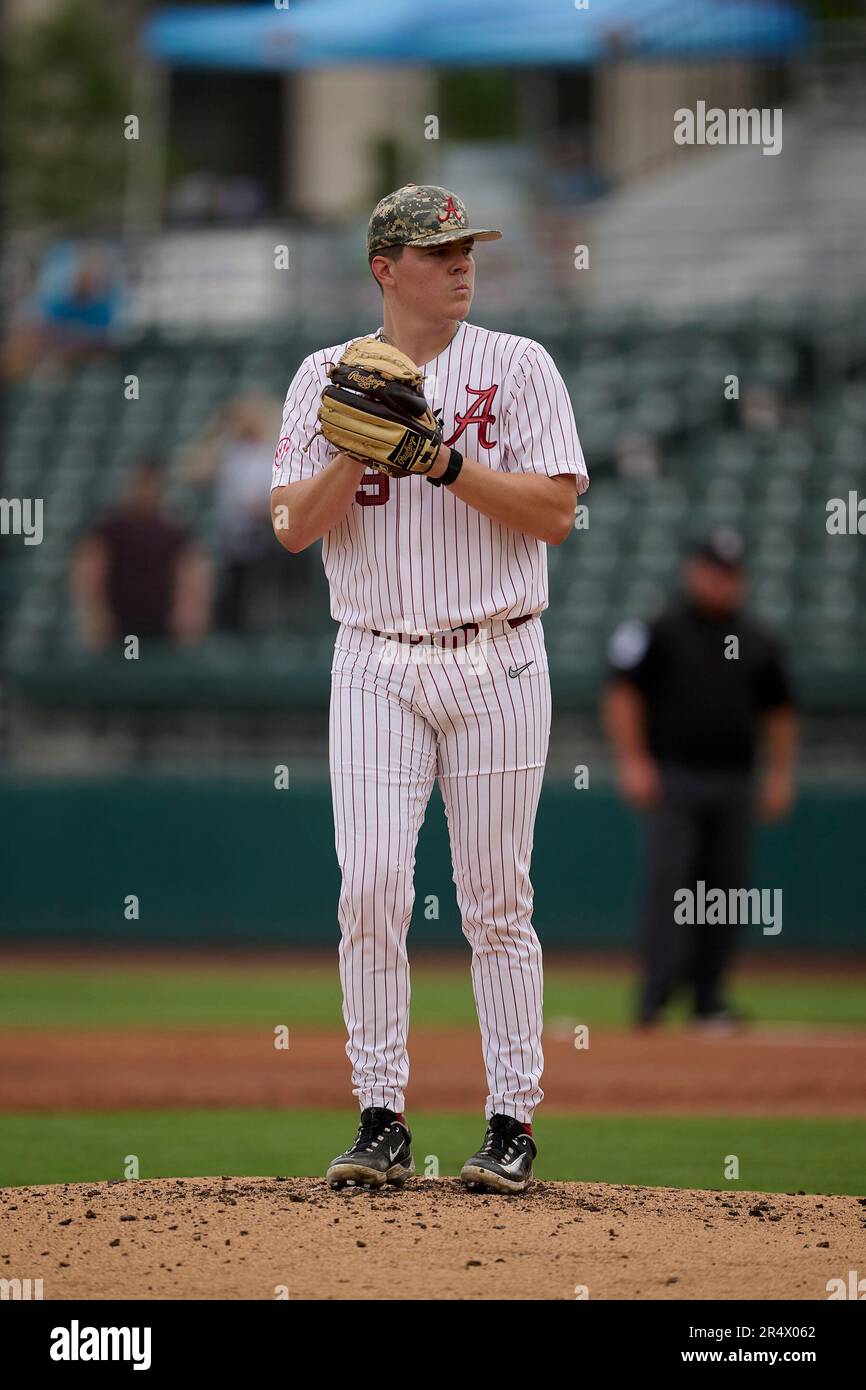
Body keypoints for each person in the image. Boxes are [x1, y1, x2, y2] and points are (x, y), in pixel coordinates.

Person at [270, 183, 588, 1193]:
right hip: (371, 654)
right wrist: (354, 446)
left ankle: (509, 1122)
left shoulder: (519, 364)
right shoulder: (325, 376)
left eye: (465, 248)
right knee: (370, 886)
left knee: (496, 899)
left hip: (496, 650)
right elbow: (290, 524)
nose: (459, 262)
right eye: (436, 249)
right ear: (384, 267)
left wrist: (434, 460)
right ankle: (379, 1116)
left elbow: (552, 514)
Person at [602, 527, 798, 1035]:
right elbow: (623, 693)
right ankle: (656, 996)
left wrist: (780, 773)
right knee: (672, 886)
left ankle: (710, 998)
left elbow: (779, 711)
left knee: (724, 892)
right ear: (695, 572)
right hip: (677, 779)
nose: (722, 583)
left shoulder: (759, 639)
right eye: (714, 571)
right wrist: (633, 760)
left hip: (734, 781)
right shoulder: (661, 631)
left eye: (731, 574)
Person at [183, 395, 296, 634]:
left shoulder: (272, 449)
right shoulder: (229, 451)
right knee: (231, 601)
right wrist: (219, 430)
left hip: (269, 535)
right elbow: (194, 470)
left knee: (262, 593)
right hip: (234, 539)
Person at [72, 459, 212, 649]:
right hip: (118, 627)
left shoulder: (172, 533)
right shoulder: (110, 531)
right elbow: (90, 570)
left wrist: (187, 611)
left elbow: (189, 571)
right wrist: (94, 613)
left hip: (162, 628)